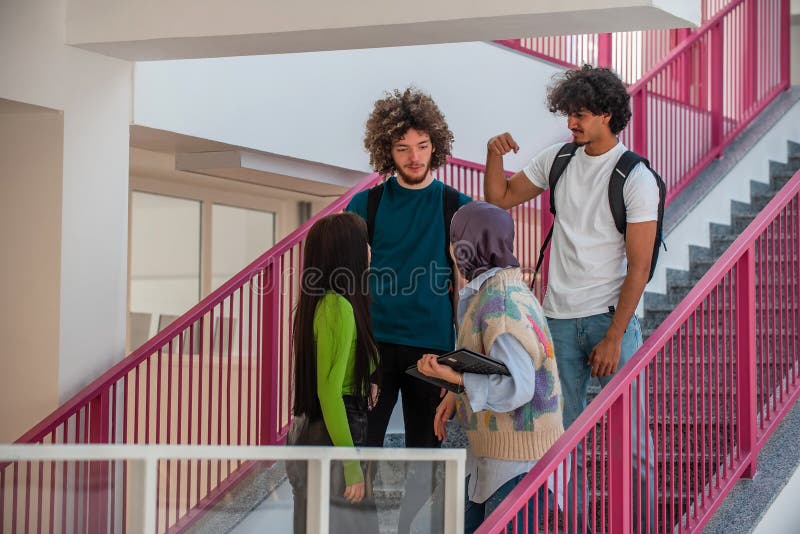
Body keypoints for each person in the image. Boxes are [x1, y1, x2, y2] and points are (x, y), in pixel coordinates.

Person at [483, 65, 657, 532]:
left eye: (579, 115)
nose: (571, 124)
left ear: (605, 114)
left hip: (610, 321)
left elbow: (639, 266)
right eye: (568, 115)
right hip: (557, 319)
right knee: (565, 444)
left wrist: (616, 335)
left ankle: (639, 526)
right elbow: (499, 199)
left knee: (632, 441)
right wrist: (493, 155)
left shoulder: (635, 177)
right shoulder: (558, 159)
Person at [345, 87, 471, 533]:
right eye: (403, 148)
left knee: (425, 453)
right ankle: (363, 529)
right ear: (387, 151)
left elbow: (475, 277)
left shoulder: (456, 205)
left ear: (435, 145)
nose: (414, 157)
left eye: (421, 146)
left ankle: (408, 530)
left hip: (433, 350)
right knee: (364, 449)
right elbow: (342, 272)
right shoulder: (367, 204)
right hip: (377, 346)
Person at [415, 201, 564, 533]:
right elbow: (491, 365)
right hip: (495, 455)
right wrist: (455, 392)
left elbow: (519, 386)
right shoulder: (490, 293)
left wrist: (455, 378)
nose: (452, 249)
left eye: (456, 240)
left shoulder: (504, 303)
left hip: (515, 462)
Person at [285, 212, 380, 534]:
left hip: (314, 434)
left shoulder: (321, 304)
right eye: (364, 242)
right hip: (335, 436)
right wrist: (351, 465)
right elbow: (330, 394)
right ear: (348, 253)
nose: (370, 249)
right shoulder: (338, 307)